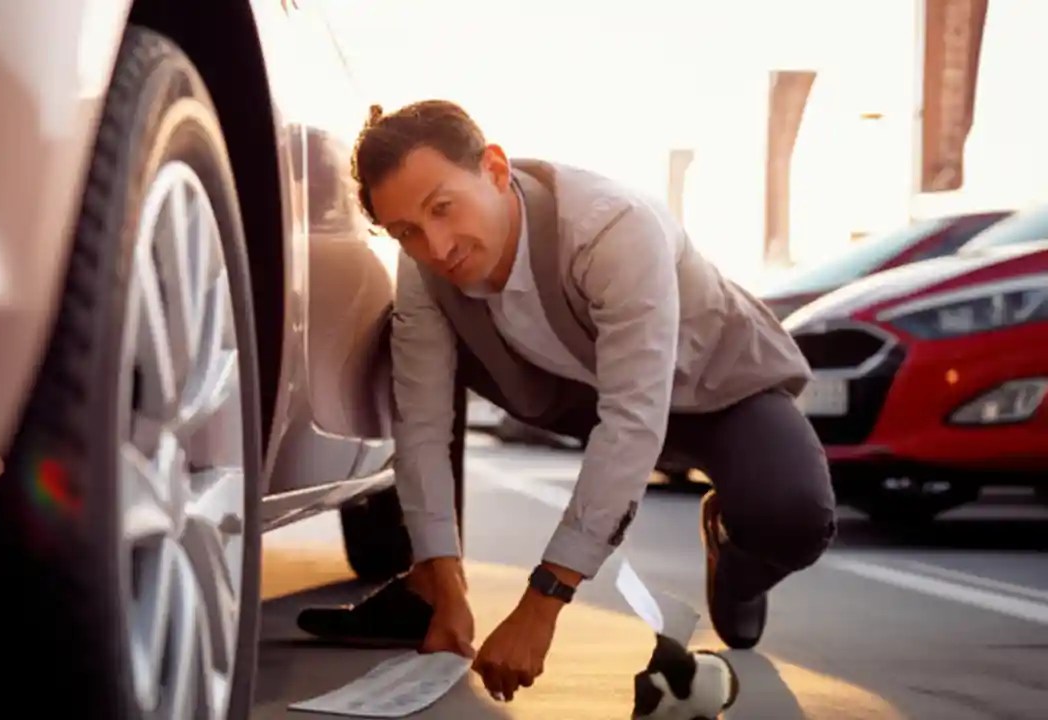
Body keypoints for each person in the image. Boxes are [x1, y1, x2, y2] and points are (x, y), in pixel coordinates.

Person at [297, 100, 837, 703]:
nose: (437, 245)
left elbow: (632, 421)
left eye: (443, 208)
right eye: (407, 232)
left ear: (495, 170)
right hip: (568, 389)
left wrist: (542, 604)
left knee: (794, 517)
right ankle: (430, 586)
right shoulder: (423, 265)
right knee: (408, 352)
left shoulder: (613, 226)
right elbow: (421, 424)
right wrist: (445, 576)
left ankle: (736, 558)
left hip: (711, 386)